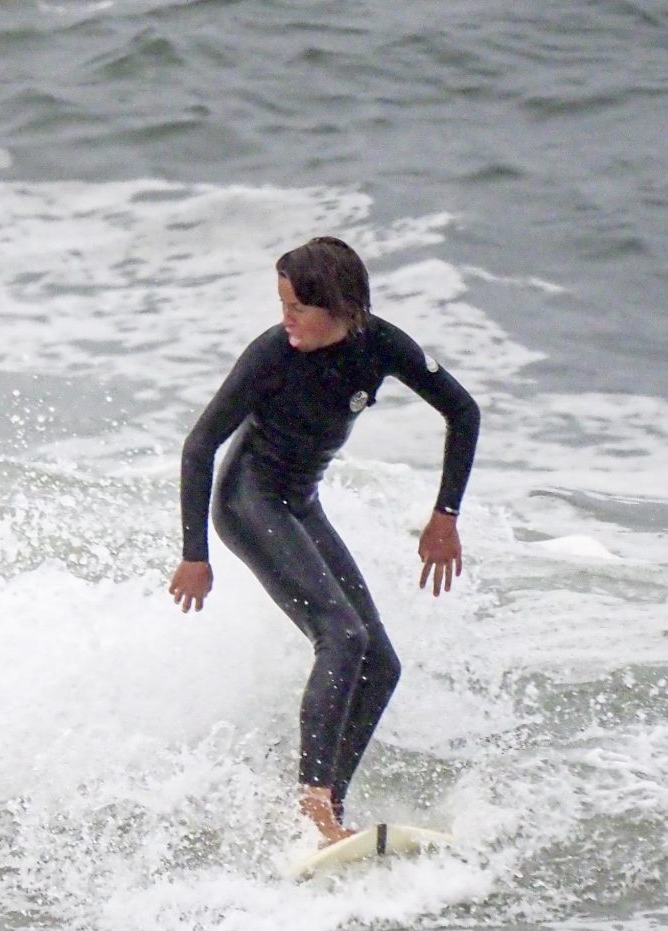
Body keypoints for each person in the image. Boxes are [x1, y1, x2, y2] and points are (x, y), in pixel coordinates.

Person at [165, 237, 479, 845]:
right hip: (247, 500)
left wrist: (446, 514)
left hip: (299, 502)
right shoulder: (271, 355)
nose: (286, 320)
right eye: (281, 304)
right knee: (342, 635)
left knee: (381, 665)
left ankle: (325, 807)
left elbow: (462, 412)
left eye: (297, 309)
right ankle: (313, 809)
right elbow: (199, 445)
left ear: (341, 309)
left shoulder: (381, 344)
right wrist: (195, 554)